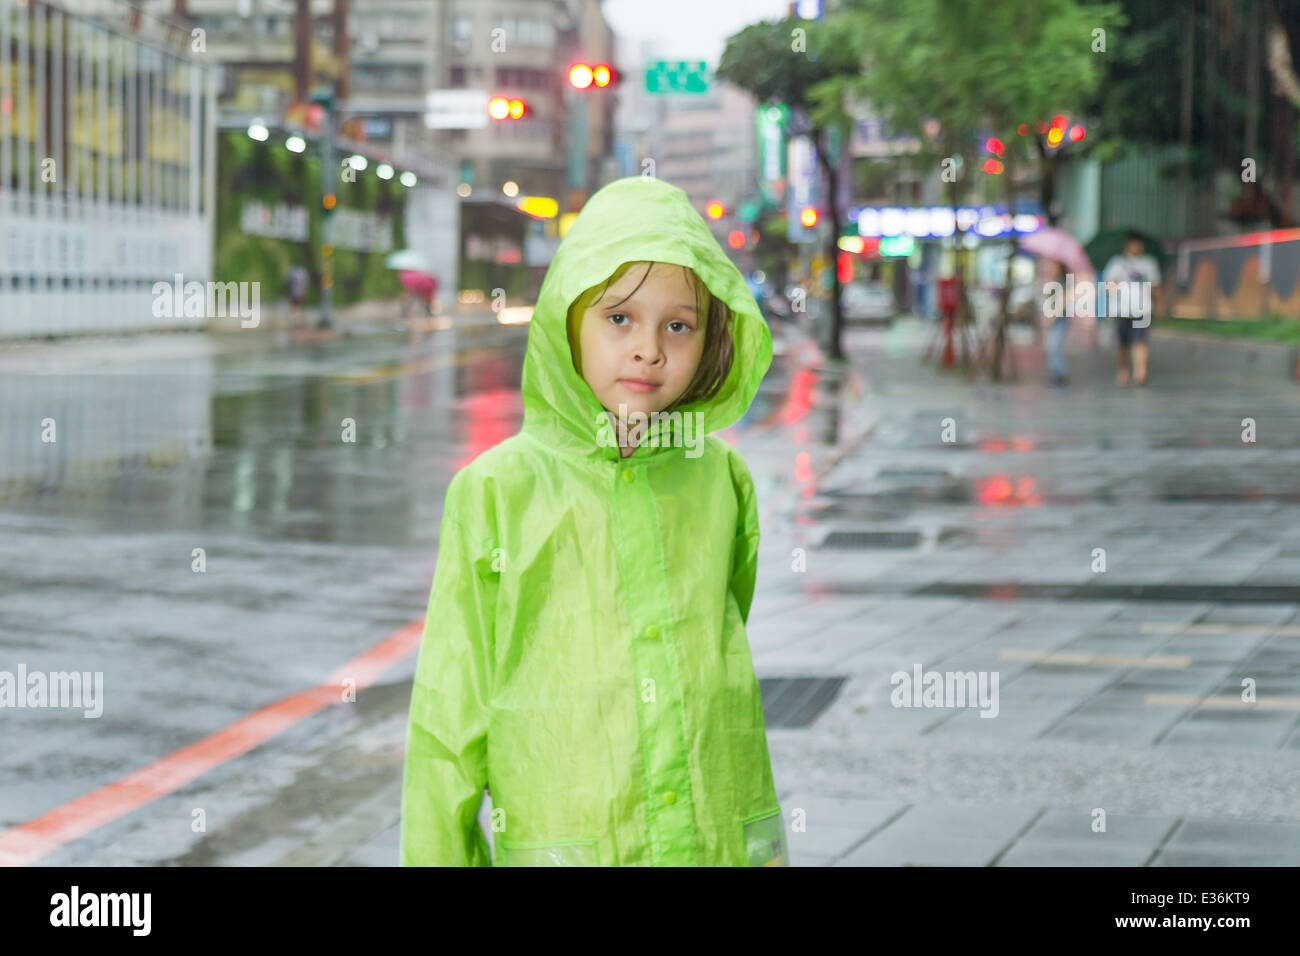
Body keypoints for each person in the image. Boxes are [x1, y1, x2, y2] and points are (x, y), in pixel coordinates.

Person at [400, 176, 788, 867]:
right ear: (565, 322)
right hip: (574, 838)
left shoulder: (718, 477)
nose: (649, 349)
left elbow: (719, 630)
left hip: (716, 833)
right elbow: (447, 715)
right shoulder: (497, 492)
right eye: (619, 318)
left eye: (679, 325)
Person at [1101, 232, 1162, 387]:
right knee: (1122, 344)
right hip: (1121, 309)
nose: (1136, 247)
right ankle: (1123, 372)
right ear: (1127, 246)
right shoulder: (1117, 263)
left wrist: (1159, 304)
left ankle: (1140, 372)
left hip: (1143, 309)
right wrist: (1113, 285)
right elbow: (1108, 286)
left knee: (1140, 341)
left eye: (1139, 244)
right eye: (1133, 244)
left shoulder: (1149, 263)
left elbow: (1155, 286)